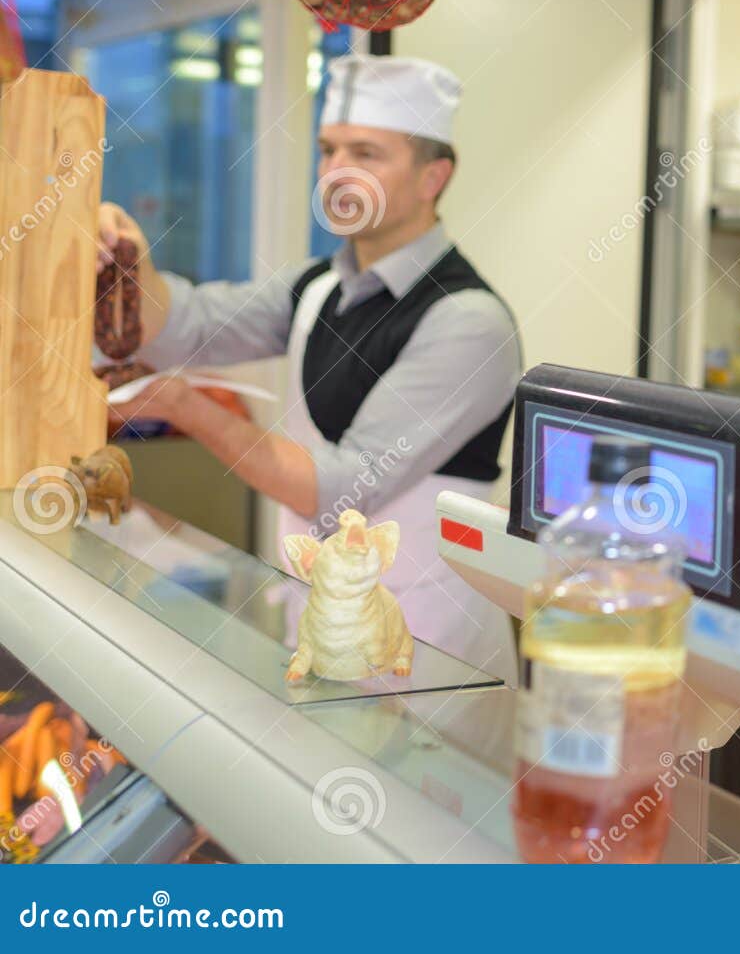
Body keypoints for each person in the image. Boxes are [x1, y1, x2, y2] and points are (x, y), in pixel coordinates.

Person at [98, 55, 523, 682]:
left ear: (435, 176)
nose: (336, 173)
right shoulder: (318, 286)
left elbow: (334, 491)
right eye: (328, 150)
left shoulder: (468, 322)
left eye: (367, 154)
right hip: (317, 619)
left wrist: (184, 406)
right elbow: (186, 327)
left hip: (426, 645)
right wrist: (131, 261)